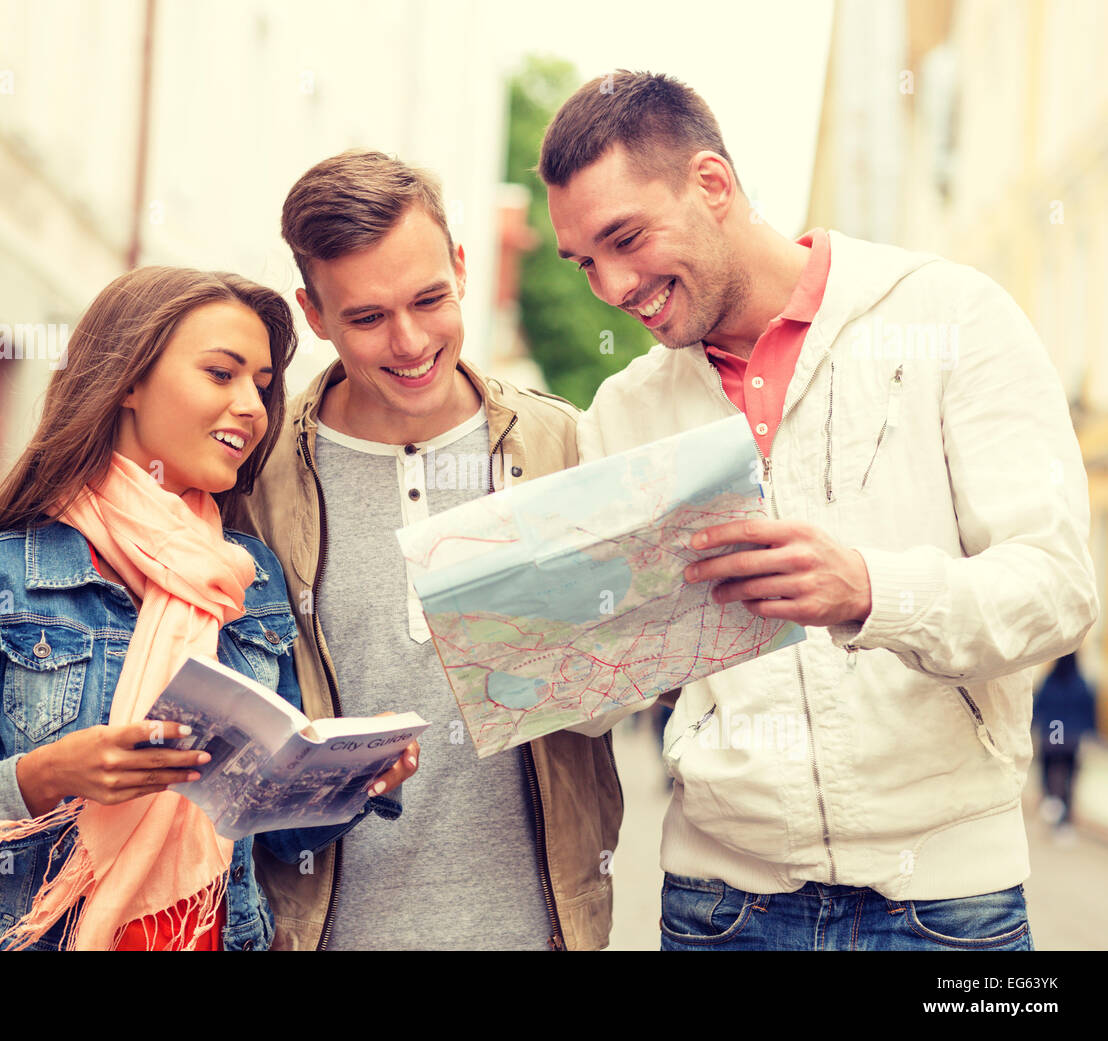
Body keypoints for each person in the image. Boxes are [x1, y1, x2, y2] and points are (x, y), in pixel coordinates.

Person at [538, 71, 1098, 951]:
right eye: (584, 261)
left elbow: (1059, 584)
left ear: (712, 185)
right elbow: (606, 690)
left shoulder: (952, 315)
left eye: (626, 237)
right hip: (722, 908)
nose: (610, 286)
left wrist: (871, 589)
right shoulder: (626, 409)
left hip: (952, 907)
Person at [0, 266, 416, 951]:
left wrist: (355, 778)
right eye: (222, 373)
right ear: (130, 381)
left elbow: (280, 836)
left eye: (261, 385)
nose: (254, 407)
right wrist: (47, 776)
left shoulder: (249, 576)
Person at [228, 149, 623, 950]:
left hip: (536, 932)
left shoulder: (564, 445)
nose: (409, 342)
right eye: (367, 318)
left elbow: (619, 683)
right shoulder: (255, 479)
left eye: (429, 300)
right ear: (313, 314)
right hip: (315, 934)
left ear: (463, 268)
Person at [1033, 652, 1098, 828]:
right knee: (1069, 779)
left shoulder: (1049, 682)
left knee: (1049, 776)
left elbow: (1038, 708)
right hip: (1070, 741)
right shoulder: (1081, 683)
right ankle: (1064, 820)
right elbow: (1089, 713)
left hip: (1052, 740)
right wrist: (1090, 735)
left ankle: (1051, 808)